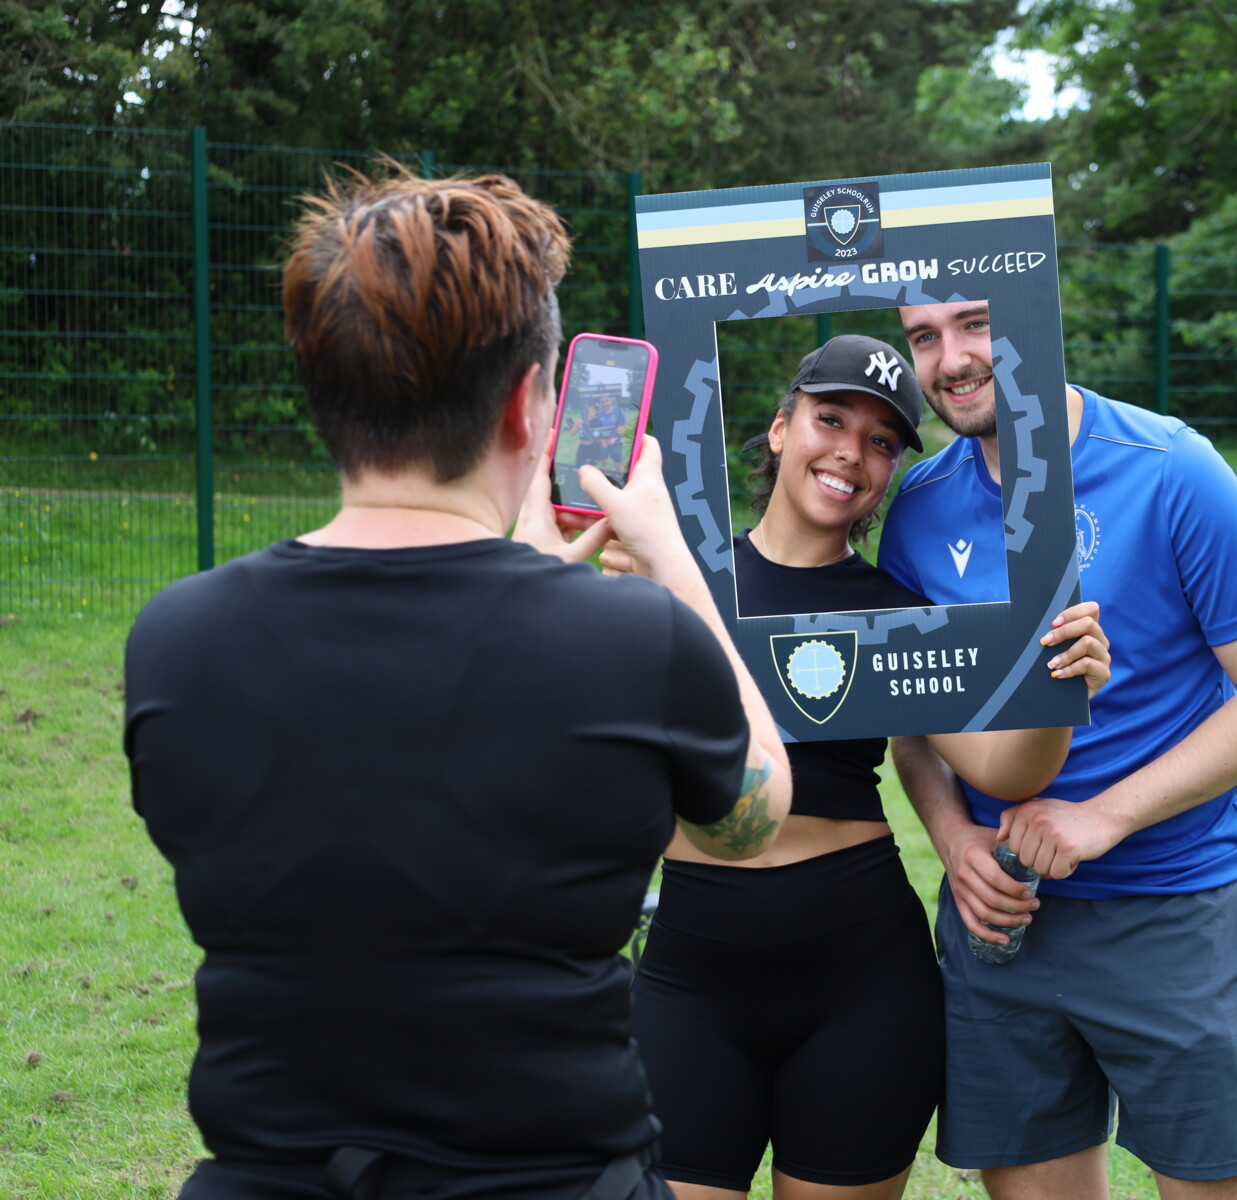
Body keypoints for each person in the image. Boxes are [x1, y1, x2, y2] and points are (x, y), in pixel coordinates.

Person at [124, 168, 795, 1200]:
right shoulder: (632, 643)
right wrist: (674, 569)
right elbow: (749, 822)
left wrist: (526, 570)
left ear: (320, 387)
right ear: (534, 404)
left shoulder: (176, 640)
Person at [621, 334, 1112, 1200]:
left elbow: (1002, 770)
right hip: (692, 974)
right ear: (780, 429)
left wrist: (1055, 695)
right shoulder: (678, 581)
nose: (851, 451)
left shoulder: (899, 612)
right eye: (831, 418)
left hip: (859, 981)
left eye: (882, 441)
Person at [880, 301, 1237, 1200]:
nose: (952, 359)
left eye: (975, 325)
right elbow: (912, 723)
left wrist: (1103, 817)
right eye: (925, 337)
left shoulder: (1171, 469)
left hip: (1175, 911)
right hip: (1002, 930)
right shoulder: (920, 504)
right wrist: (957, 843)